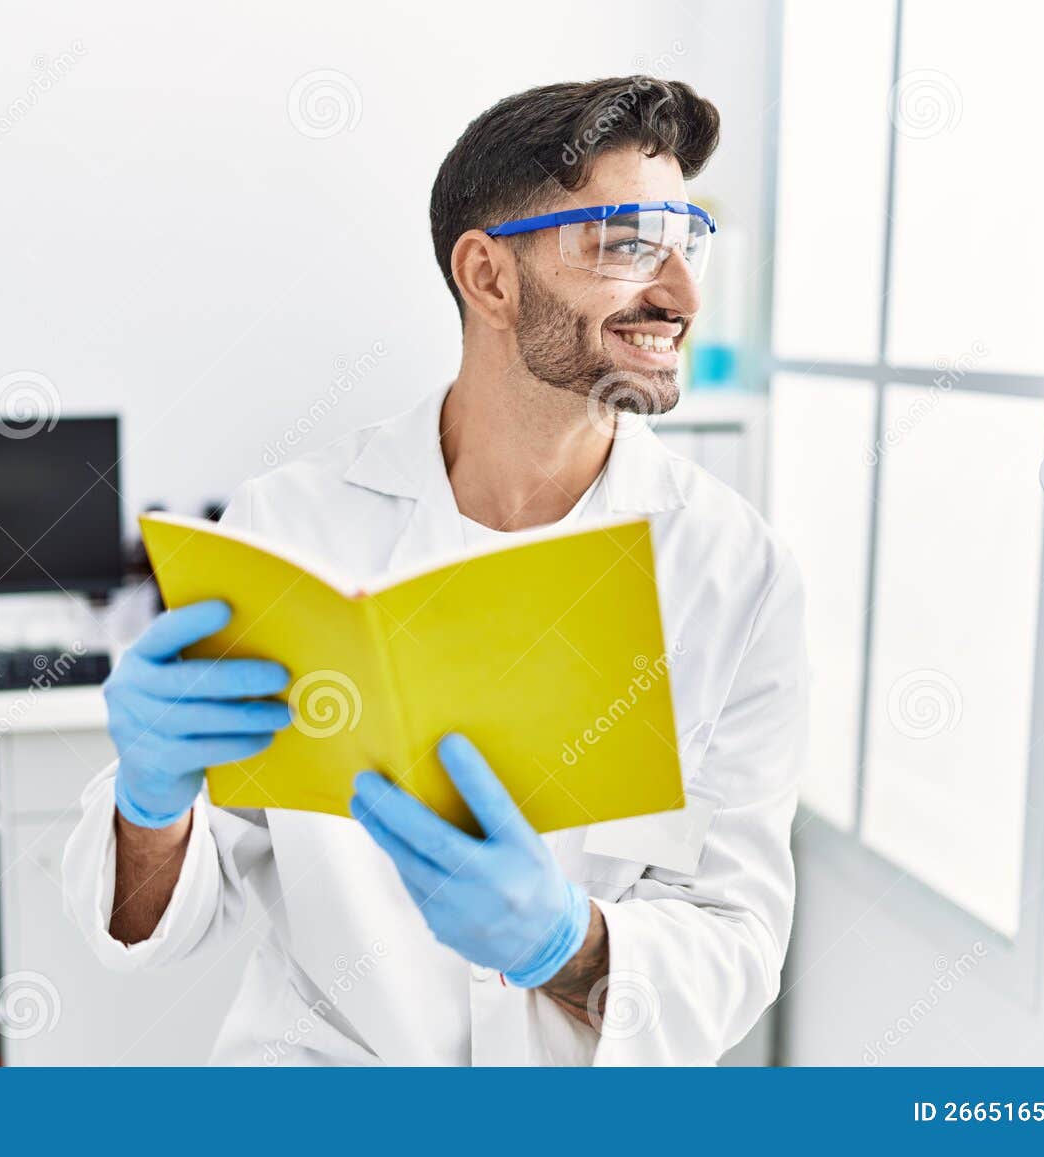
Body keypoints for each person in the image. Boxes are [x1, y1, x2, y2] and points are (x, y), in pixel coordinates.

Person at [62, 76, 806, 1065]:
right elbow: (163, 928)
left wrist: (561, 943)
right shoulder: (290, 526)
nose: (679, 294)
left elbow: (736, 938)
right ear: (488, 276)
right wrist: (151, 804)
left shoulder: (735, 572)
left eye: (687, 242)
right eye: (628, 244)